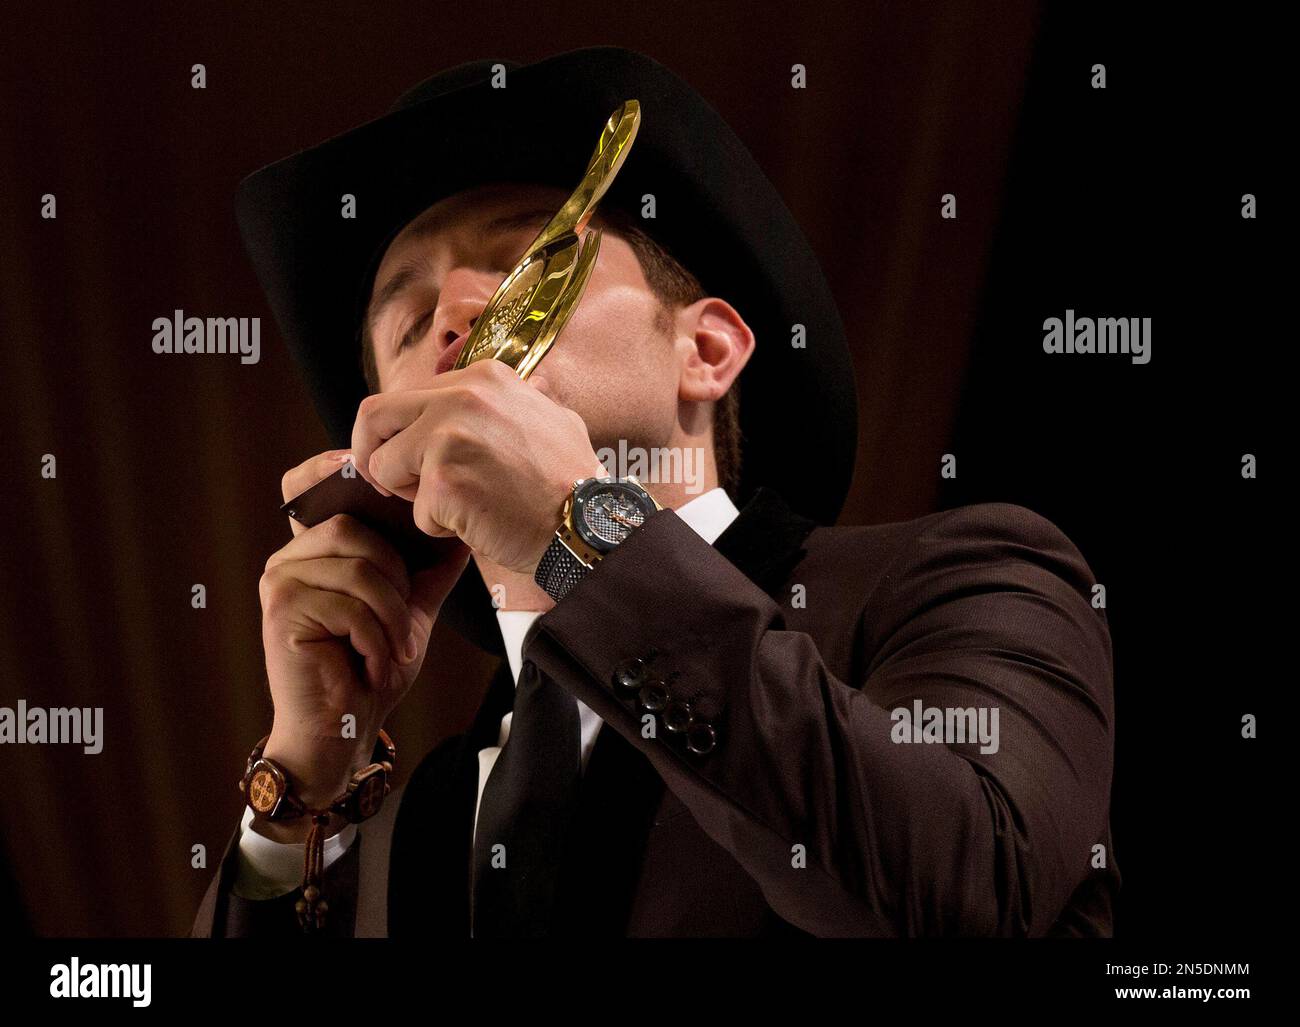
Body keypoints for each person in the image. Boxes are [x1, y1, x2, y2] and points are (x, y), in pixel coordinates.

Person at [192, 46, 1117, 938]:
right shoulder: (403, 822)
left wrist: (581, 533)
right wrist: (301, 786)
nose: (456, 315)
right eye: (406, 315)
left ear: (707, 350)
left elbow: (977, 896)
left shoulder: (962, 582)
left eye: (531, 256)